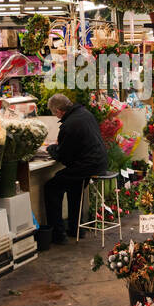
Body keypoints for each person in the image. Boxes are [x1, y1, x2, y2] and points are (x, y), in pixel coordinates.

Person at [43, 93, 108, 243]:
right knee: (75, 186)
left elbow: (64, 156)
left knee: (52, 187)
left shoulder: (69, 124)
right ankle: (76, 229)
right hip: (99, 162)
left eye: (54, 114)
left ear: (59, 111)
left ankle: (58, 234)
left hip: (87, 165)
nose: (56, 117)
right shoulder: (85, 113)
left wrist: (51, 148)